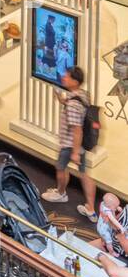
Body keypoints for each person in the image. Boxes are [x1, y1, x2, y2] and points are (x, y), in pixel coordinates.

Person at [42, 65, 97, 217]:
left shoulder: (73, 105)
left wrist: (74, 152)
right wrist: (62, 101)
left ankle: (60, 193)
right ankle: (91, 209)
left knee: (61, 168)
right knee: (83, 173)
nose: (63, 78)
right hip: (80, 145)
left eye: (67, 76)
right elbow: (77, 107)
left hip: (70, 145)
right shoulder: (83, 95)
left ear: (75, 81)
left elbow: (77, 129)